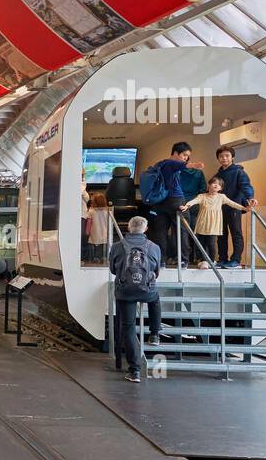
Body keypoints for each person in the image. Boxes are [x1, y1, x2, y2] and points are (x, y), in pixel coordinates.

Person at [110, 215, 163, 384]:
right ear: (145, 229)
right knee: (155, 300)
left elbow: (113, 269)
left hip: (125, 292)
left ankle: (135, 371)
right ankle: (154, 334)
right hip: (146, 290)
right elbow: (156, 271)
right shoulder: (154, 247)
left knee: (128, 327)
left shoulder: (117, 246)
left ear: (129, 228)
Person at [146, 142, 205, 267]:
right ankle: (183, 260)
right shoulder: (171, 163)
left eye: (187, 156)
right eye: (184, 155)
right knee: (182, 230)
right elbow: (183, 165)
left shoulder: (160, 164)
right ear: (175, 153)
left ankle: (160, 260)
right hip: (176, 201)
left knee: (160, 232)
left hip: (160, 202)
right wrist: (195, 165)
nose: (185, 158)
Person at [181, 177, 250, 269]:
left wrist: (244, 208)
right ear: (209, 185)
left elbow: (232, 203)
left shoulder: (221, 197)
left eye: (219, 184)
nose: (216, 185)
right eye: (214, 183)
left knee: (211, 243)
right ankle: (202, 261)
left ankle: (211, 261)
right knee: (200, 243)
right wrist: (187, 206)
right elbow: (194, 201)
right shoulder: (202, 196)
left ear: (221, 188)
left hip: (213, 225)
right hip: (202, 223)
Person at [212, 145, 257, 268]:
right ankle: (222, 259)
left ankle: (236, 260)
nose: (224, 158)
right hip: (220, 209)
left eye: (227, 156)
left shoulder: (239, 172)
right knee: (221, 234)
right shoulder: (218, 174)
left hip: (234, 207)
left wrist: (250, 198)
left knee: (236, 233)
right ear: (218, 158)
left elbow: (246, 186)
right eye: (221, 156)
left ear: (232, 157)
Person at [86, 191, 112, 265]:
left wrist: (87, 232)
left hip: (95, 233)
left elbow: (88, 223)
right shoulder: (108, 211)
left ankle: (95, 258)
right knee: (104, 246)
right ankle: (104, 258)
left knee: (94, 246)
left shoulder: (91, 211)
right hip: (105, 233)